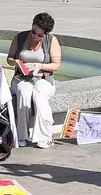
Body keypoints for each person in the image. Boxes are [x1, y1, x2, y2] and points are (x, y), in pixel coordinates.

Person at [7, 12, 62, 149]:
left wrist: (40, 66)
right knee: (24, 93)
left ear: (46, 34)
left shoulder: (51, 40)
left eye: (40, 35)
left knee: (39, 95)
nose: (35, 36)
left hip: (43, 77)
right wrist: (17, 63)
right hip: (22, 77)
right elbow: (9, 58)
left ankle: (45, 135)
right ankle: (21, 135)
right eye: (33, 32)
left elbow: (56, 65)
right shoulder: (19, 38)